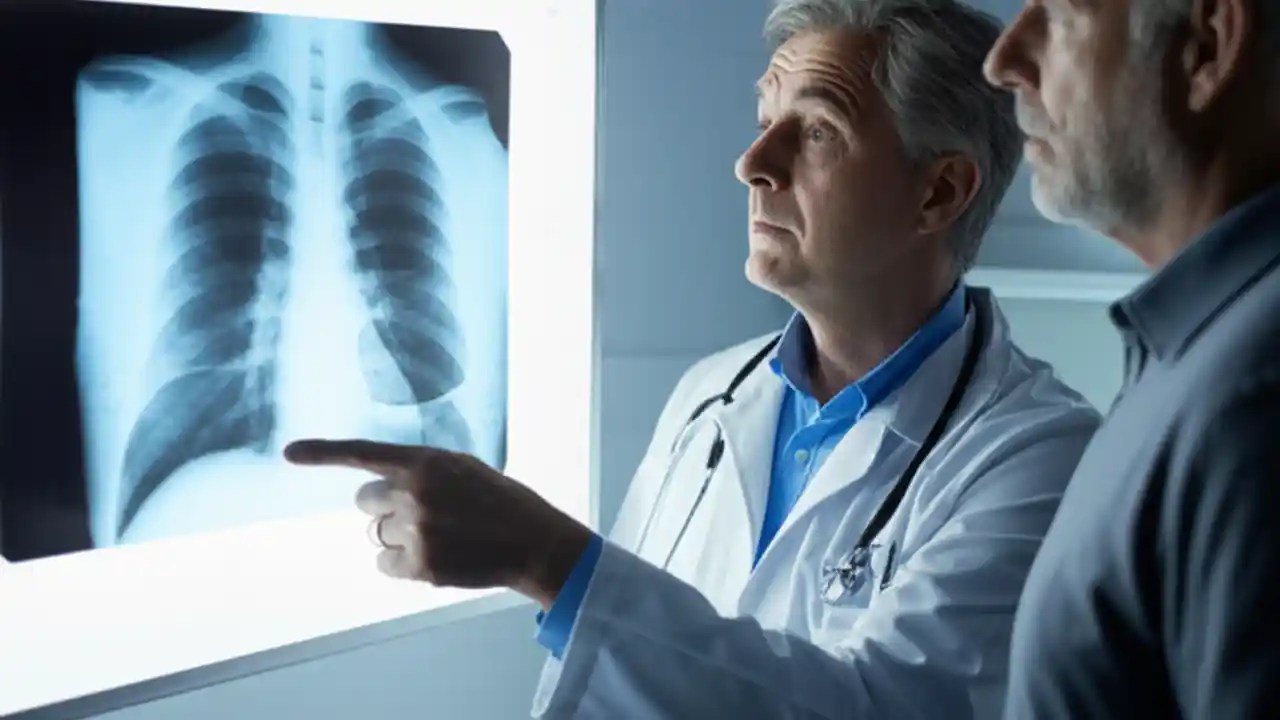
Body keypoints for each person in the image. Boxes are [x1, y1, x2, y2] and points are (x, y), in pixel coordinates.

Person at [285, 0, 1101, 716]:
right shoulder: (711, 396)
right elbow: (597, 680)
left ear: (940, 192)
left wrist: (547, 557)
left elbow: (881, 708)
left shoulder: (1041, 458)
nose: (753, 164)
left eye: (817, 131)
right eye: (764, 119)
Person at [982, 0, 1280, 717]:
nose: (1004, 60)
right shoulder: (1196, 357)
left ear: (1204, 47)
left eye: (1058, 13)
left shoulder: (1256, 401)